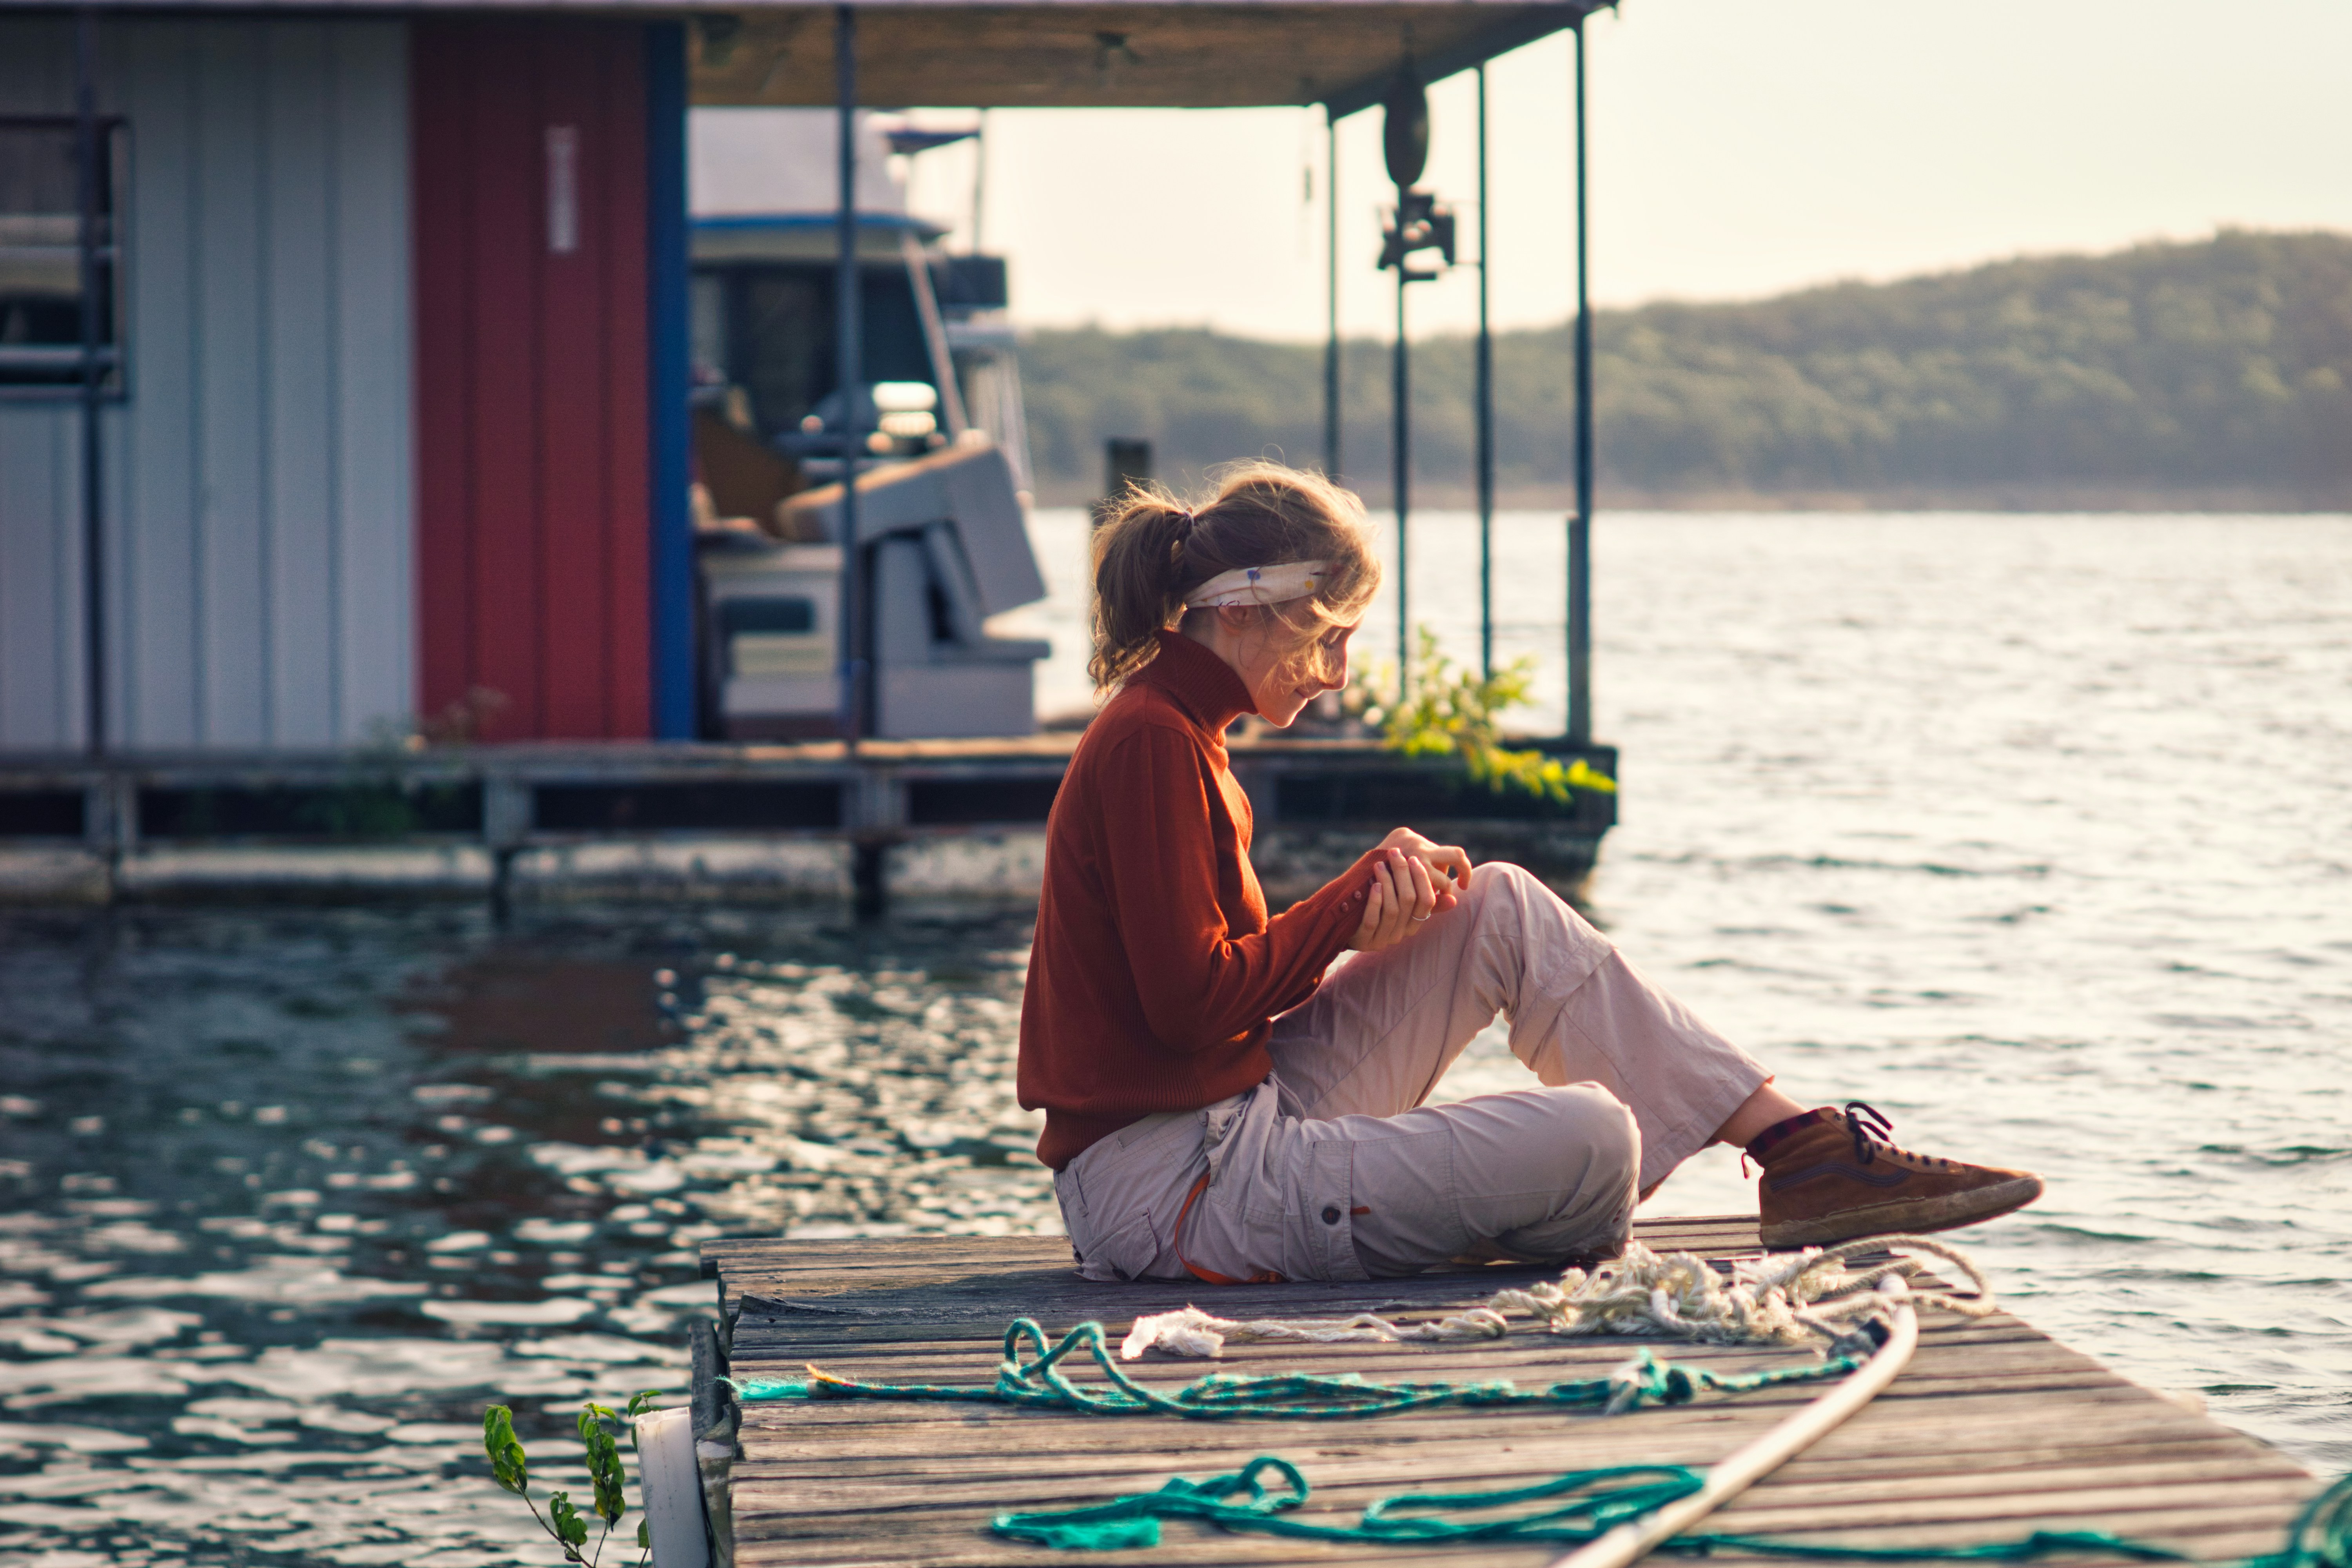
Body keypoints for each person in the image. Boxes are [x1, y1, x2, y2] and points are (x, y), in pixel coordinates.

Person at [1017, 461, 2042, 1284]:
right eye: (1328, 639)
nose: (1335, 674)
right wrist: (1342, 914)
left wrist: (1362, 911)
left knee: (1496, 903)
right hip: (1176, 1192)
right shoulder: (1155, 743)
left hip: (1213, 1134)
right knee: (1599, 1142)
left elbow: (1193, 1002)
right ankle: (1736, 1169)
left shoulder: (1177, 731)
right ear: (1243, 611)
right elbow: (1187, 1006)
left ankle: (1803, 1153)